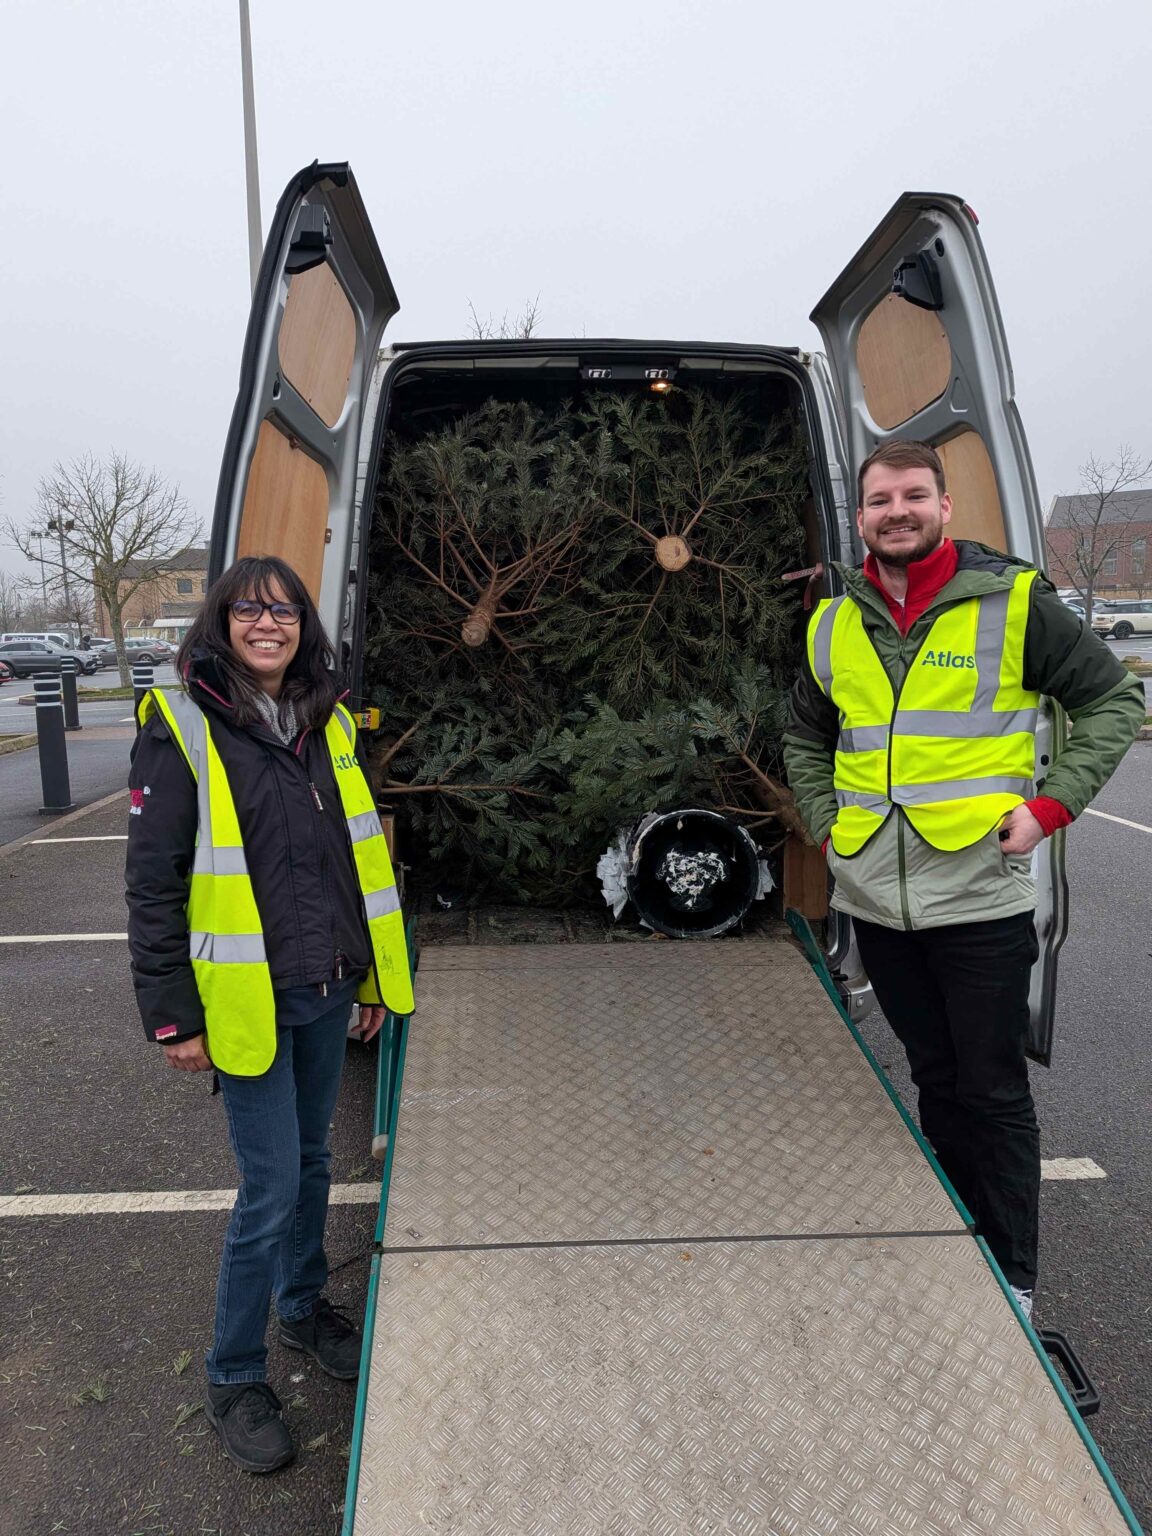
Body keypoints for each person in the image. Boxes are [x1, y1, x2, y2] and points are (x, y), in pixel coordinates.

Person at [784, 440, 1143, 1320]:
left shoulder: (1015, 602)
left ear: (945, 507)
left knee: (991, 1088)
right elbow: (803, 733)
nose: (895, 511)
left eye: (913, 495)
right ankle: (957, 1237)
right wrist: (828, 828)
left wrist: (1052, 807)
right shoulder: (833, 621)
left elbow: (1113, 703)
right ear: (860, 518)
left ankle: (1013, 1277)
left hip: (979, 895)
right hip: (876, 899)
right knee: (935, 1076)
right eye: (879, 500)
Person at [125, 554, 413, 1474]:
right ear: (220, 622)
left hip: (326, 986)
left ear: (304, 629)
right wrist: (172, 1016)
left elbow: (349, 861)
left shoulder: (322, 723)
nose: (267, 625)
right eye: (248, 610)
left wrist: (366, 978)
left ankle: (300, 1311)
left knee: (316, 1162)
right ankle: (233, 1374)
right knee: (271, 1189)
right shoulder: (181, 725)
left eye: (284, 612)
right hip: (244, 1001)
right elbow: (152, 885)